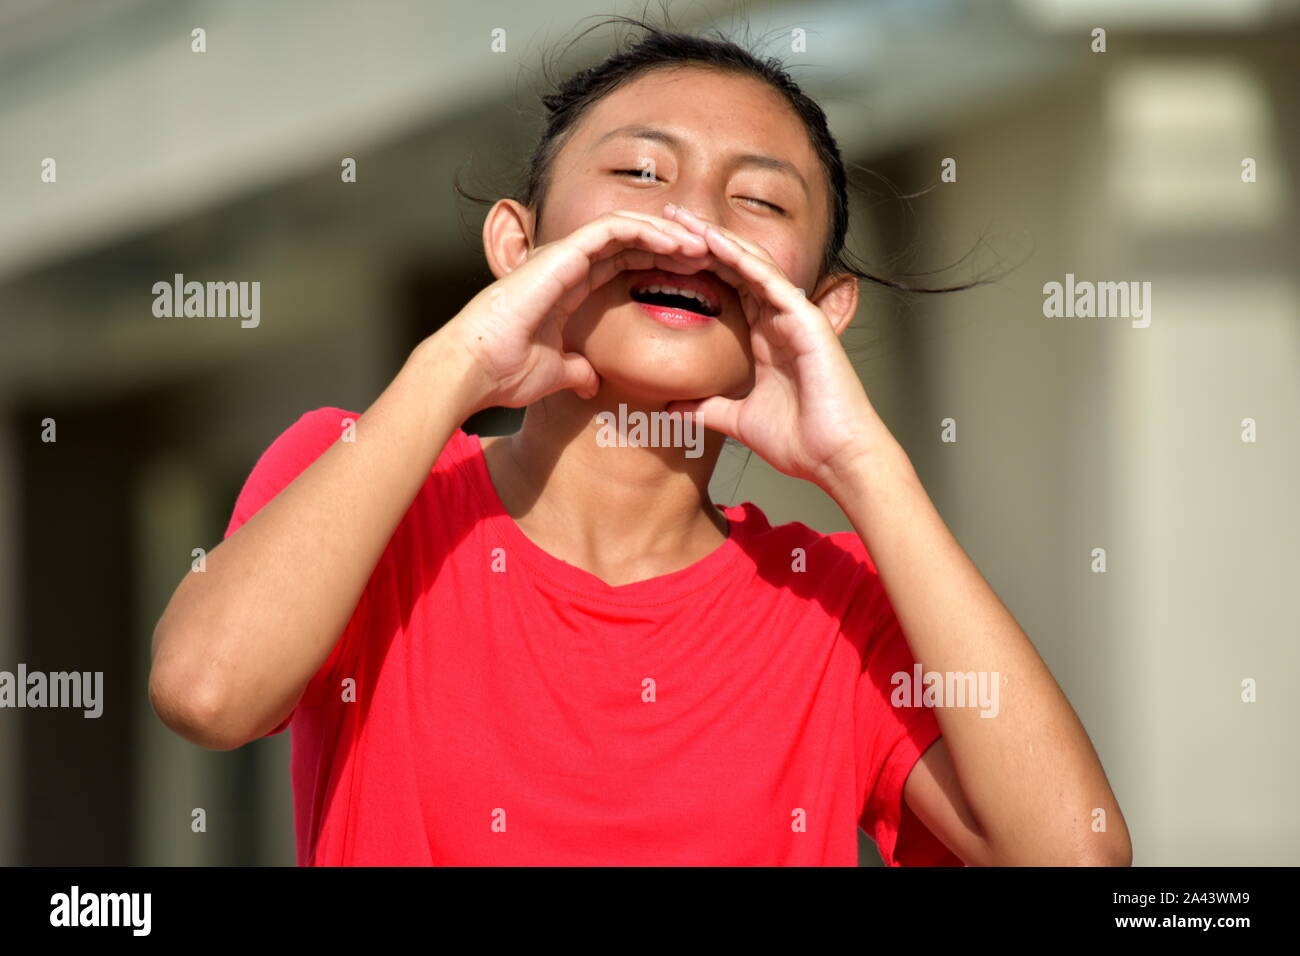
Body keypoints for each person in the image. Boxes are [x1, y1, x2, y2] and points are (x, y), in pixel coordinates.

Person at [149, 19, 1132, 867]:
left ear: (822, 305)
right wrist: (456, 362)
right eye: (638, 173)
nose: (689, 223)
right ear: (516, 244)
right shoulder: (362, 482)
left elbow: (1075, 850)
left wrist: (866, 467)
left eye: (759, 200)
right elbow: (207, 690)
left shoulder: (837, 611)